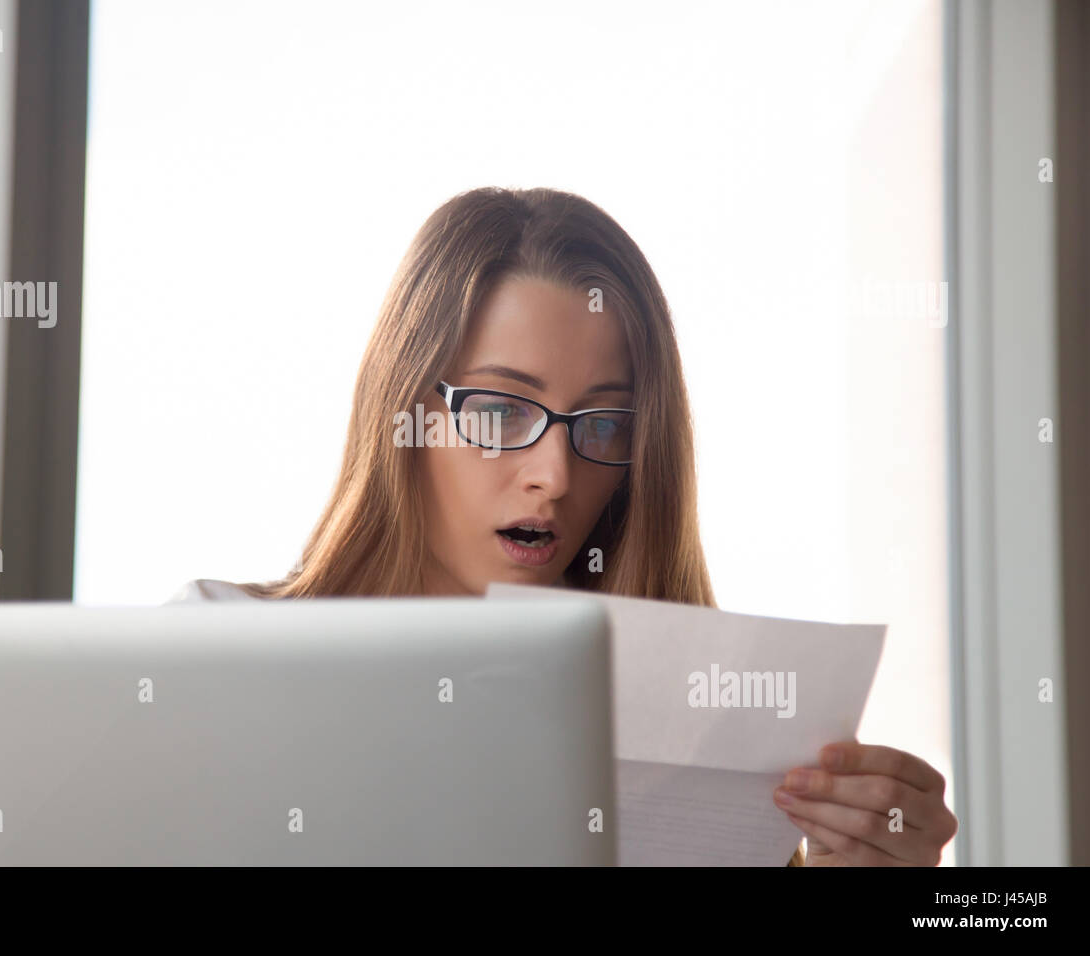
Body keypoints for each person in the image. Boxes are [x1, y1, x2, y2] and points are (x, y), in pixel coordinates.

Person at [170, 186, 958, 867]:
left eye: (604, 423)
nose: (556, 473)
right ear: (405, 413)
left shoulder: (721, 741)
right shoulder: (213, 652)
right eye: (503, 410)